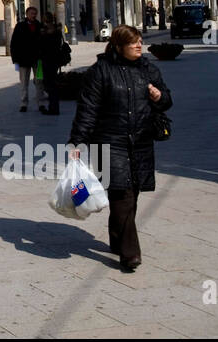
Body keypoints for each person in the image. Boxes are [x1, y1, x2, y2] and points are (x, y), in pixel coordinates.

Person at [68, 25, 172, 272]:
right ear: (118, 46)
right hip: (108, 142)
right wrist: (76, 142)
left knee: (131, 193)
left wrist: (159, 96)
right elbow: (87, 109)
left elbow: (167, 100)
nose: (139, 46)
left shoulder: (148, 70)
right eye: (133, 42)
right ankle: (130, 254)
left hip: (141, 142)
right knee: (121, 194)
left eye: (140, 41)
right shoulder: (100, 72)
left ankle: (117, 236)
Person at [10, 6, 45, 113]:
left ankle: (41, 103)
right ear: (27, 14)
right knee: (24, 83)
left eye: (35, 13)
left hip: (38, 60)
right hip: (23, 60)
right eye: (31, 13)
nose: (33, 15)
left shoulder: (40, 26)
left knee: (40, 82)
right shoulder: (20, 26)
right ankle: (23, 103)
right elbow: (14, 43)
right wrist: (15, 59)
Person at [38, 17, 71, 115]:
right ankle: (53, 107)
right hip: (54, 62)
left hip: (48, 62)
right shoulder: (57, 33)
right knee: (52, 85)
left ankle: (53, 108)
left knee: (50, 85)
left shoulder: (47, 35)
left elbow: (42, 46)